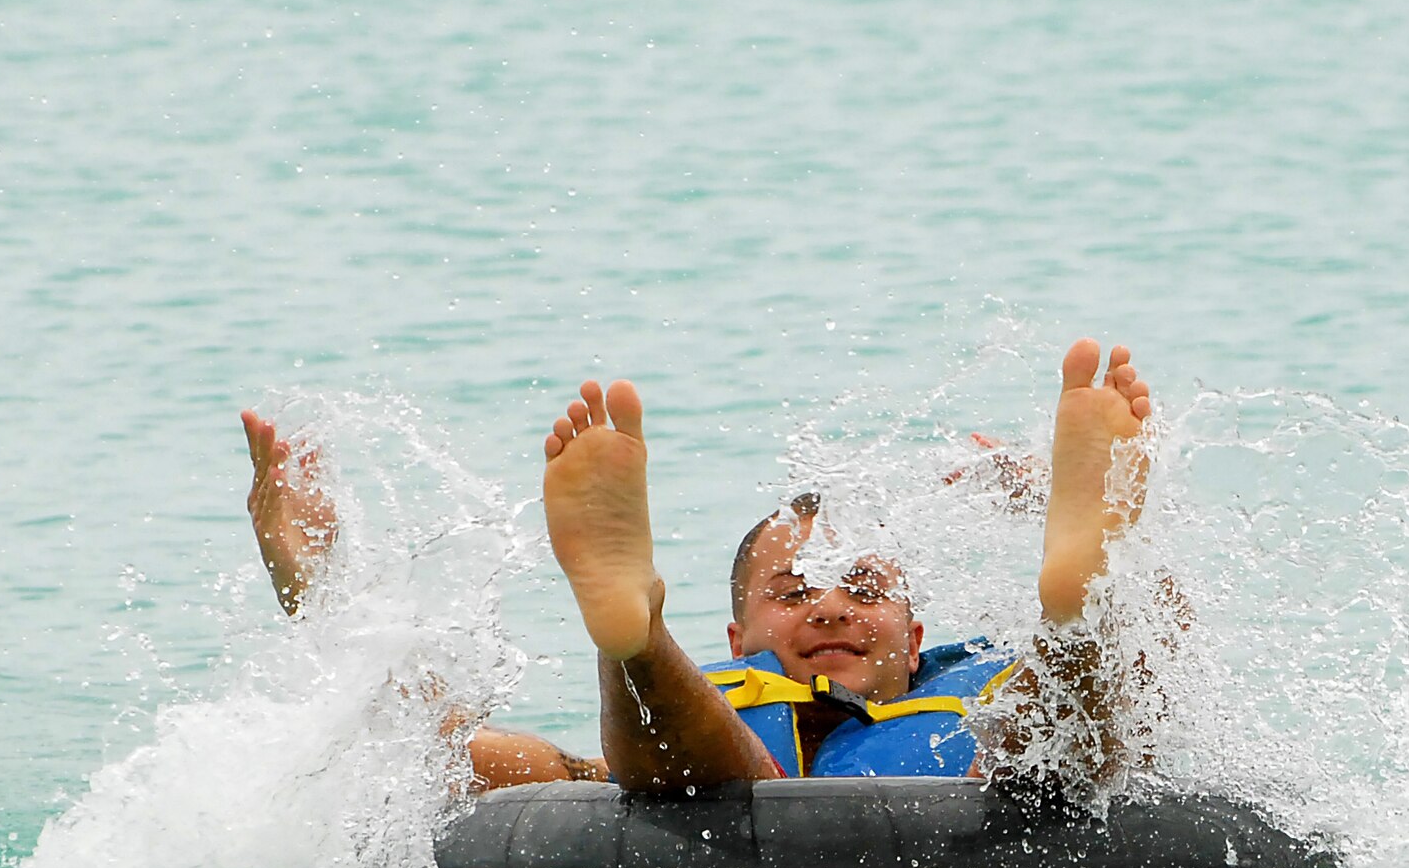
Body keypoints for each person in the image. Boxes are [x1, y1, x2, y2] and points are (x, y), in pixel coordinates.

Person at [241, 338, 1153, 793]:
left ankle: (1088, 585)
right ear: (741, 636)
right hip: (713, 774)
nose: (830, 606)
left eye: (863, 590)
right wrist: (324, 596)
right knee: (578, 770)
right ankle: (634, 633)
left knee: (1051, 730)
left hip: (992, 795)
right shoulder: (728, 696)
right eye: (793, 594)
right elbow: (431, 759)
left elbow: (1159, 685)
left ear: (918, 641)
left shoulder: (979, 689)